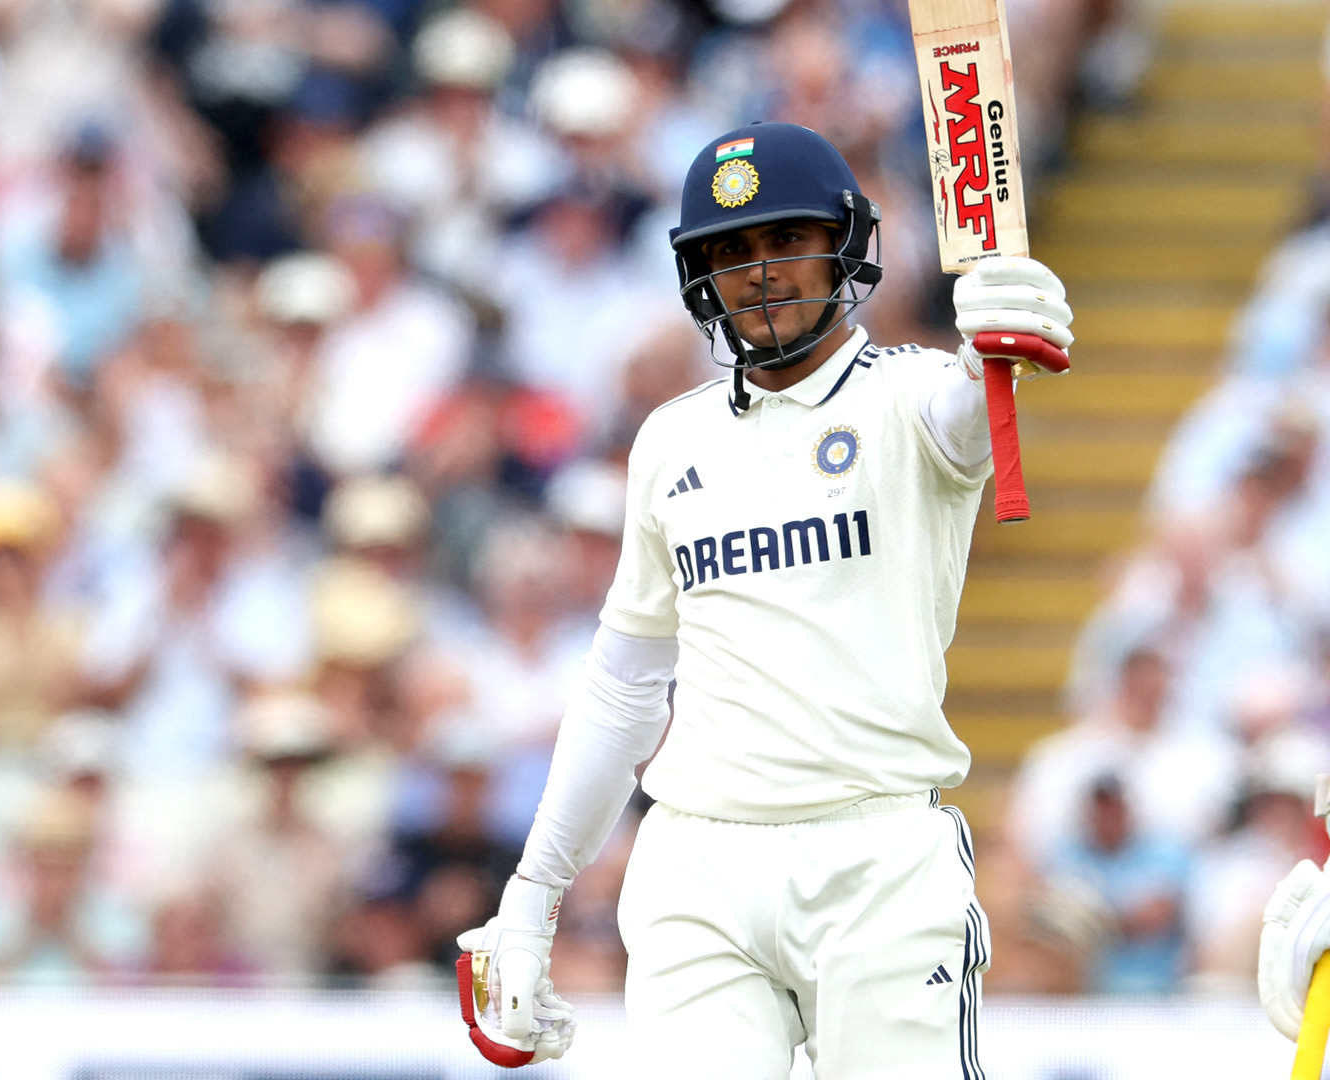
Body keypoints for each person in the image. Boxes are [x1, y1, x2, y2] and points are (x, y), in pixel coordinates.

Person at [452, 122, 1076, 1075]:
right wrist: (533, 897)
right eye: (731, 251)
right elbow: (625, 686)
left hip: (877, 859)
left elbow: (964, 410)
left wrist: (1000, 344)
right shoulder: (670, 440)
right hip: (697, 864)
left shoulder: (910, 399)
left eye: (786, 238)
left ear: (844, 244)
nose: (760, 273)